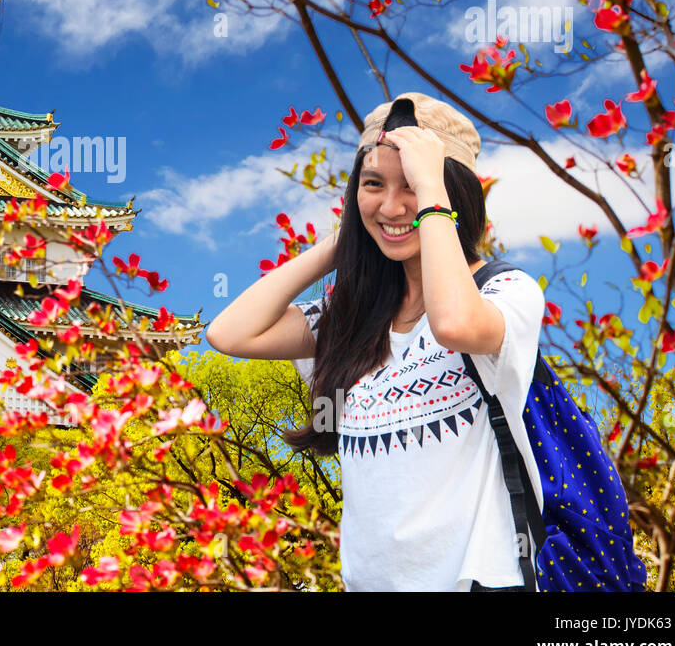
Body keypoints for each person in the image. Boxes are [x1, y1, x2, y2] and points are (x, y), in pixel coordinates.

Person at [206, 92, 545, 591]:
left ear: (453, 195)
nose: (391, 205)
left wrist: (431, 184)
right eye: (373, 184)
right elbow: (229, 333)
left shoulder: (502, 291)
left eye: (412, 185)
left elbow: (452, 324)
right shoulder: (349, 318)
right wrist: (346, 241)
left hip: (479, 579)